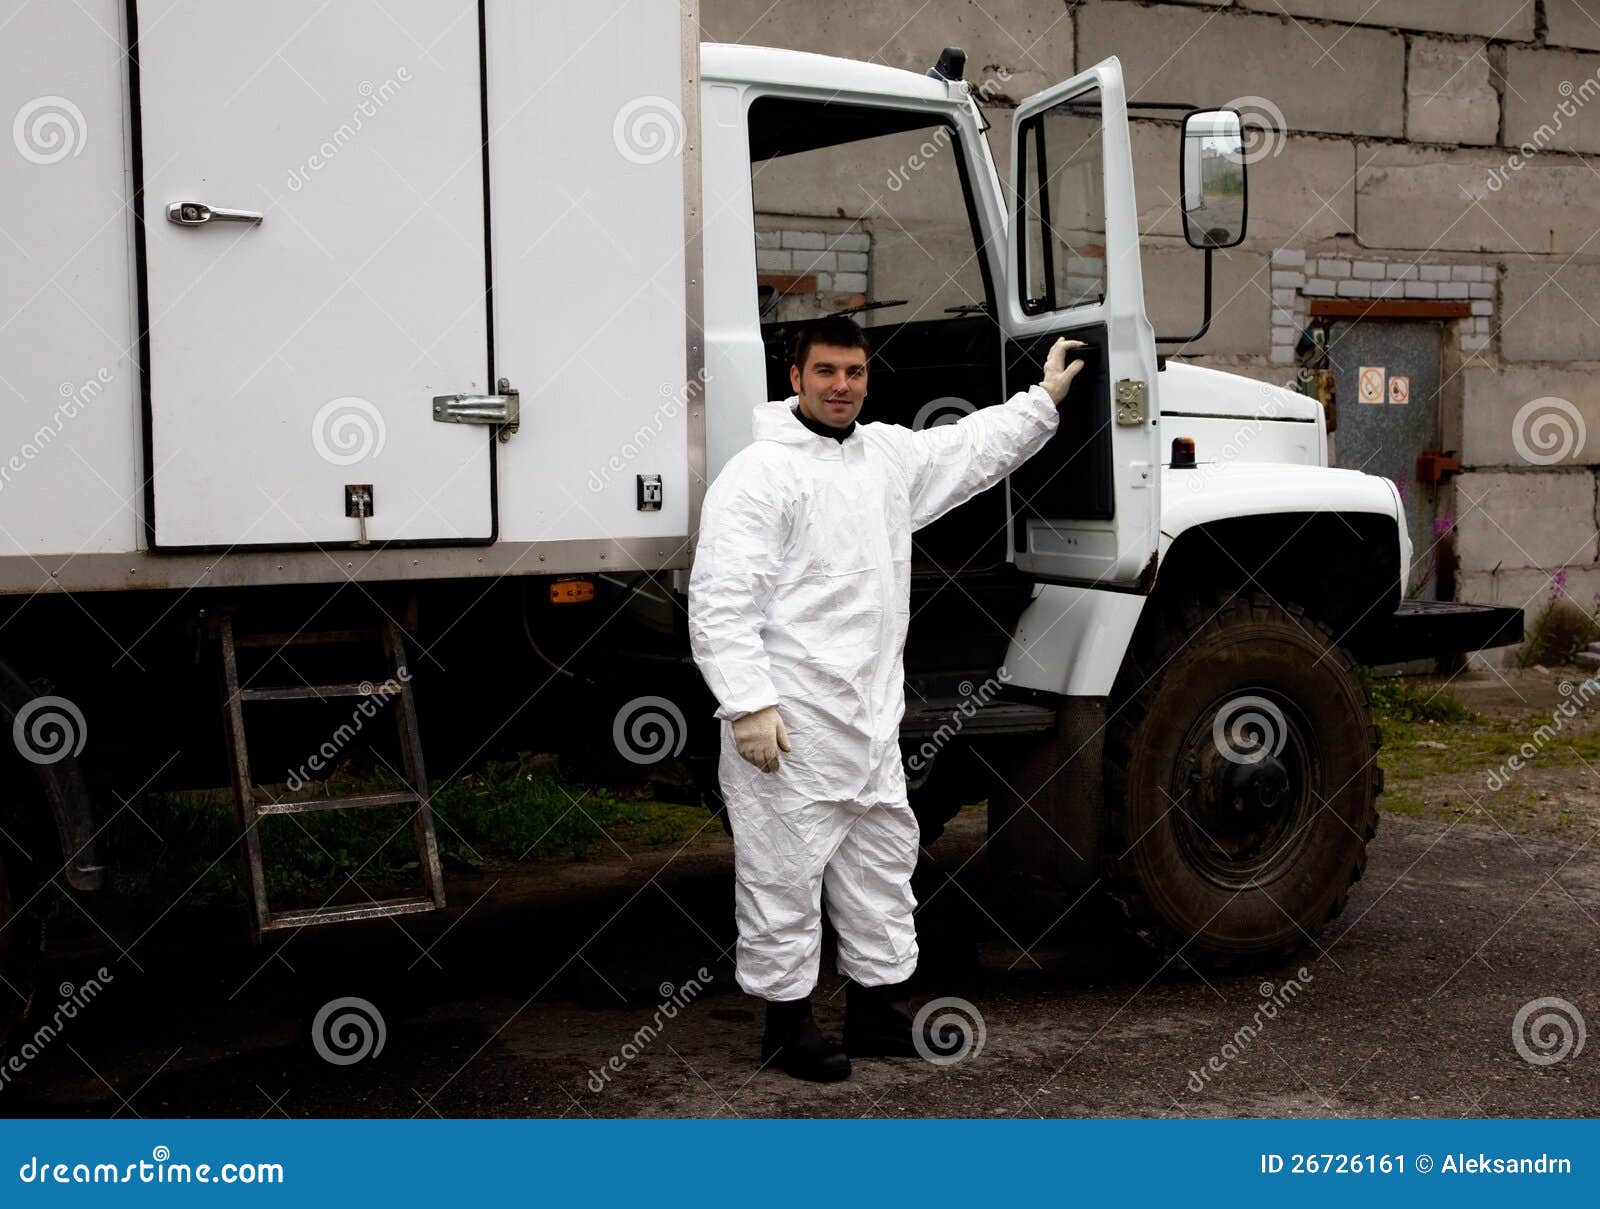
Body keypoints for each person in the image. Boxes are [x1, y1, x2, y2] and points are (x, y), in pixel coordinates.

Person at [687, 316, 1084, 1081]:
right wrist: (747, 702)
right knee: (783, 875)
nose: (841, 386)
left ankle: (875, 1011)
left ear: (868, 379)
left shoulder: (885, 457)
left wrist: (1042, 400)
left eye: (855, 372)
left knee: (881, 865)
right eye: (826, 371)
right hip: (793, 725)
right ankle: (787, 1029)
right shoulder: (760, 474)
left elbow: (966, 449)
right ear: (795, 378)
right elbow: (722, 597)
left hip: (869, 722)